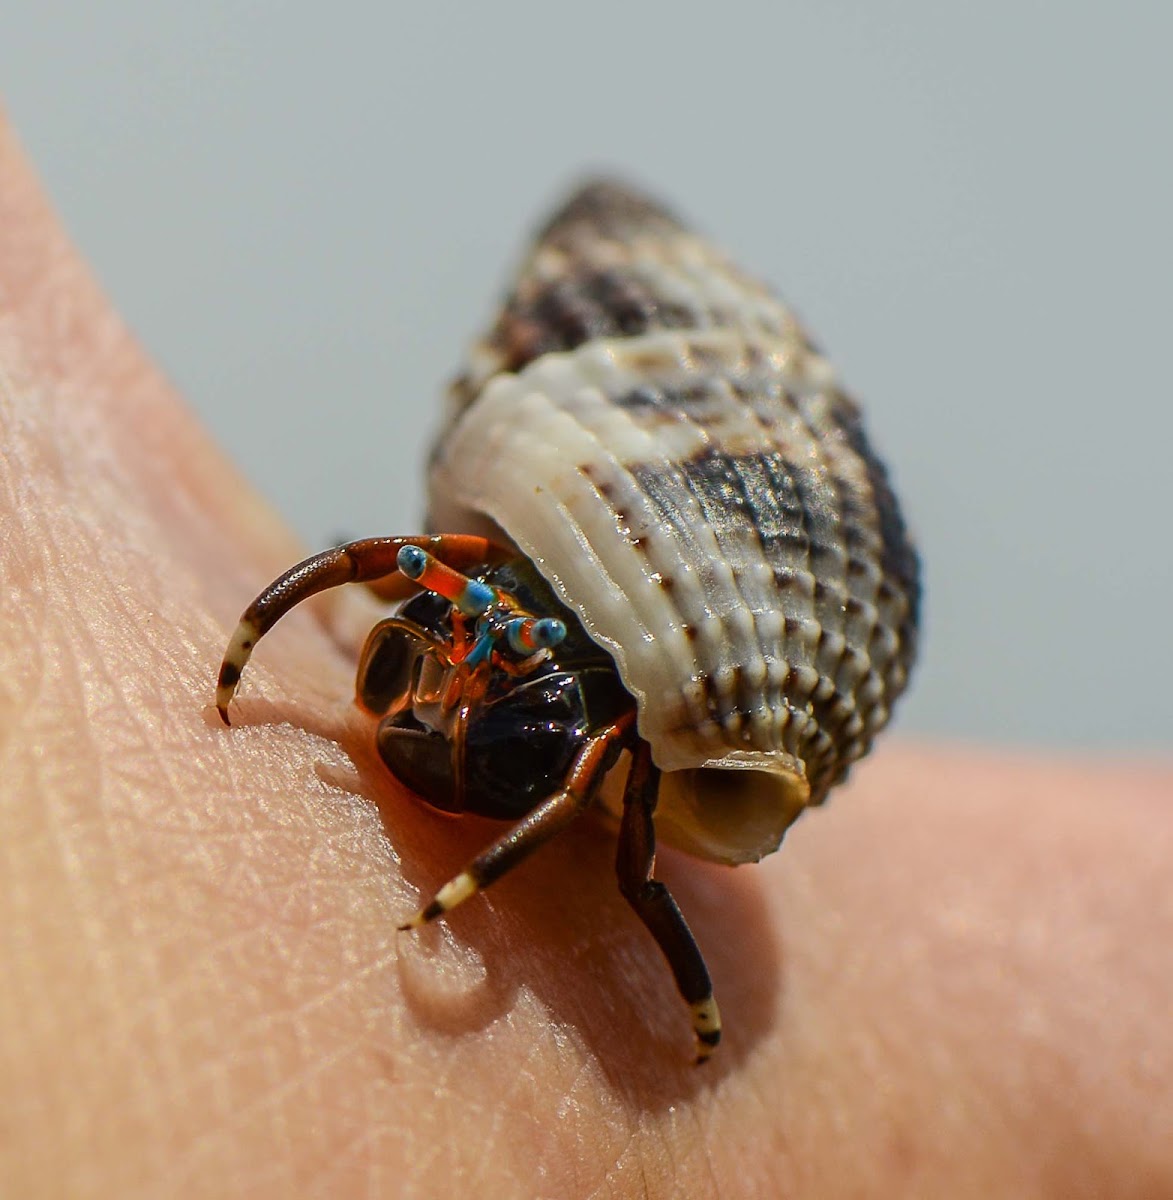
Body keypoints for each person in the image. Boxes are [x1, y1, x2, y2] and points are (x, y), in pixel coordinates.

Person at [0, 114, 1168, 1198]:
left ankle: (654, 965)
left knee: (610, 782)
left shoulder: (628, 732)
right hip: (592, 564)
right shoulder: (472, 581)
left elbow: (627, 813)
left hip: (641, 638)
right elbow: (406, 563)